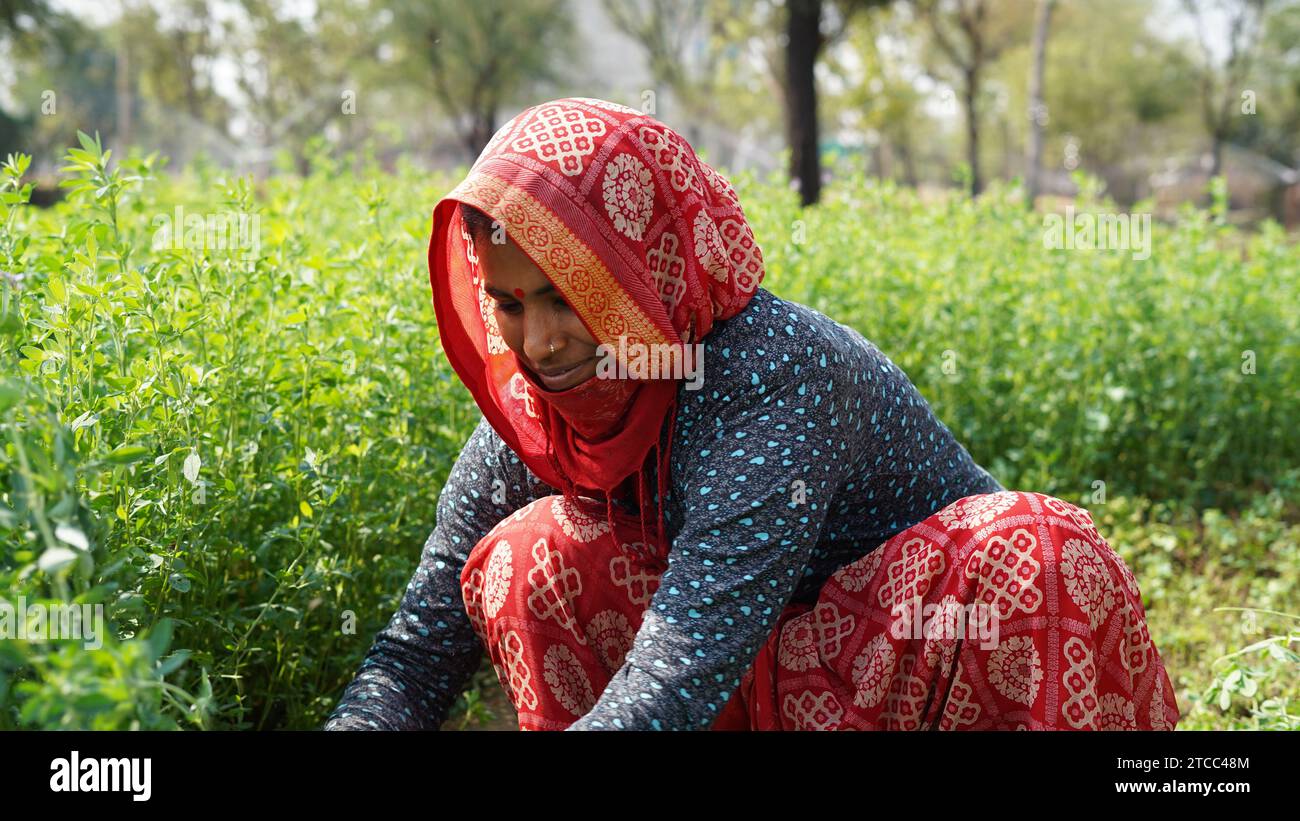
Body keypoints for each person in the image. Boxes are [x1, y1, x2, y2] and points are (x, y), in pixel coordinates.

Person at [324, 97, 1180, 731]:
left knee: (1032, 550)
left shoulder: (766, 373)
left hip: (894, 670)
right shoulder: (535, 415)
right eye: (508, 305)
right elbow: (420, 643)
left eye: (566, 297)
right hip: (733, 681)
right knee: (529, 552)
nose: (539, 344)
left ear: (641, 273)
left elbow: (687, 655)